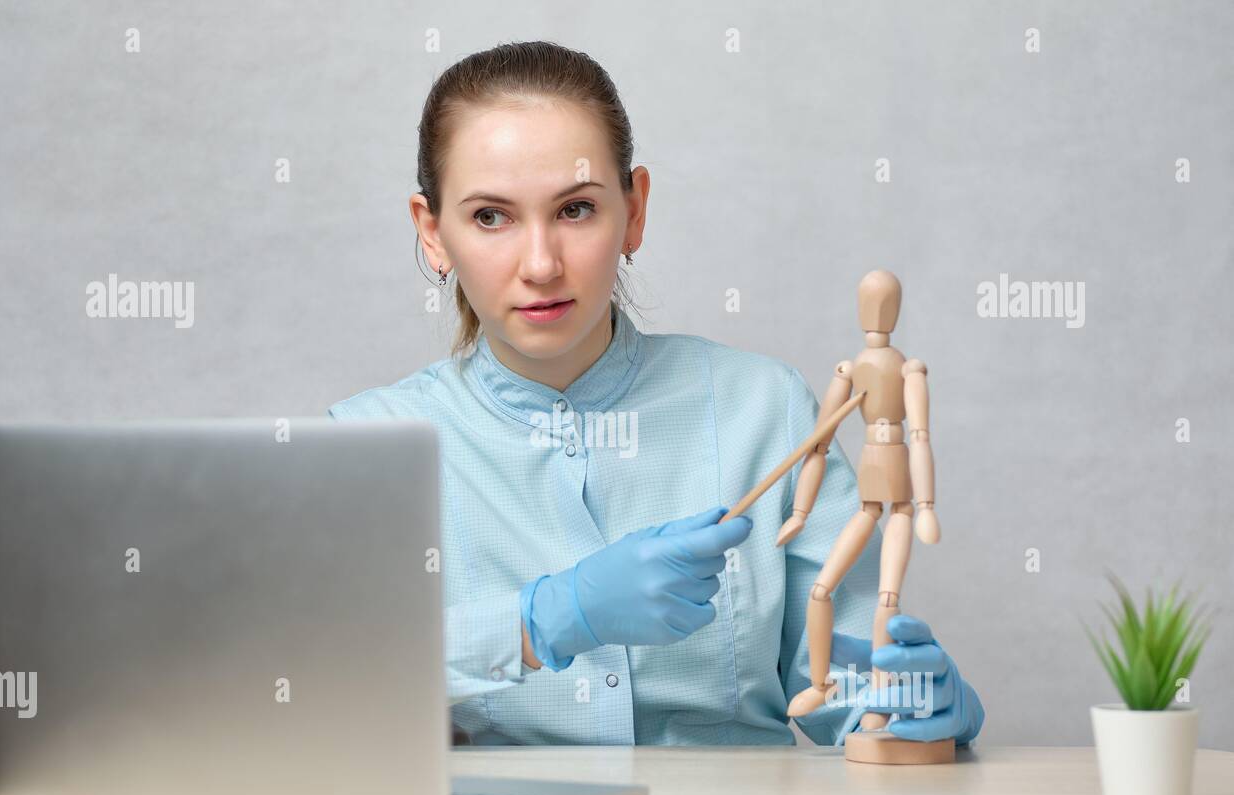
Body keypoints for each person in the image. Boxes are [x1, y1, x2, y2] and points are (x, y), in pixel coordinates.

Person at [328, 40, 983, 748]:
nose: (541, 264)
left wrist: (908, 708)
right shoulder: (368, 446)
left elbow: (842, 690)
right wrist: (544, 620)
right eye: (491, 217)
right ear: (433, 233)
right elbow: (320, 686)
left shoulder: (762, 409)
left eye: (576, 210)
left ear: (634, 210)